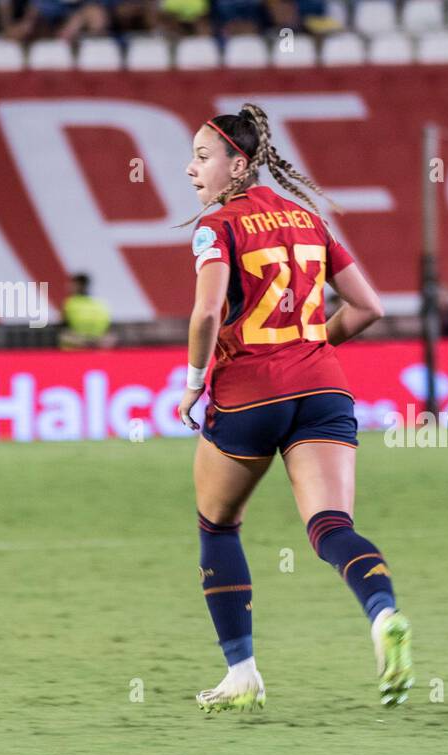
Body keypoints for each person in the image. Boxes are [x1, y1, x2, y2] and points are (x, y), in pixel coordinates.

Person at [177, 103, 413, 713]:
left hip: (248, 391)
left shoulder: (216, 225)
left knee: (218, 522)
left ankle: (242, 673)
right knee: (331, 526)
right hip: (323, 388)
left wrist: (194, 380)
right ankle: (383, 613)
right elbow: (369, 307)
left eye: (203, 158)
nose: (190, 169)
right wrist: (308, 346)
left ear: (239, 163)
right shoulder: (308, 218)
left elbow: (206, 313)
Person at [58, 273, 115, 349]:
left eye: (72, 284)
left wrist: (83, 342)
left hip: (74, 351)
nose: (68, 286)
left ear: (79, 285)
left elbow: (62, 332)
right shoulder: (101, 304)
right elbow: (109, 334)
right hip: (97, 351)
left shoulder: (69, 304)